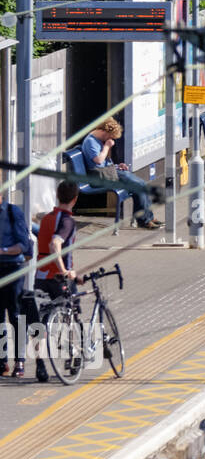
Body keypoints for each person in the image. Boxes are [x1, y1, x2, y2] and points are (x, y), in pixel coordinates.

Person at [25, 181, 83, 381]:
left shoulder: (47, 218)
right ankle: (72, 356)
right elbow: (54, 244)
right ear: (74, 199)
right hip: (58, 279)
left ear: (58, 196)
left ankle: (40, 365)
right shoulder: (67, 221)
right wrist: (64, 270)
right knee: (71, 314)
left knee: (39, 322)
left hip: (40, 277)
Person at [82, 118, 161, 229]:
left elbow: (103, 162)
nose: (111, 140)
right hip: (101, 176)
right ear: (105, 132)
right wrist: (107, 146)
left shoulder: (97, 139)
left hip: (108, 172)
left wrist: (117, 166)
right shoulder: (91, 141)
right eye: (111, 137)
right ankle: (144, 220)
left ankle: (148, 217)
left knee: (142, 184)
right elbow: (99, 160)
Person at [0, 192, 33, 376]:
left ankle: (19, 361)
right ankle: (1, 362)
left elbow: (23, 244)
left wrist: (3, 251)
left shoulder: (13, 212)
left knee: (15, 315)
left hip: (13, 269)